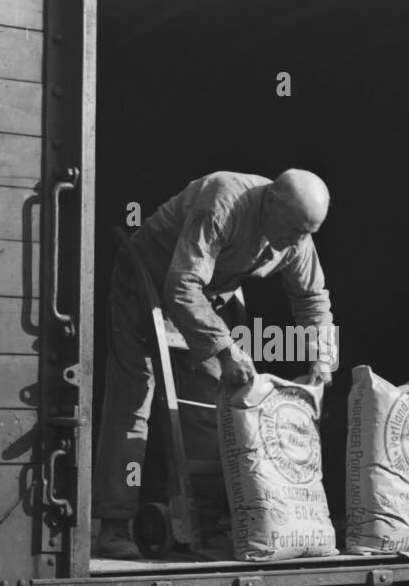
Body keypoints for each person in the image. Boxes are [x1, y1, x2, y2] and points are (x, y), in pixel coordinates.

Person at [92, 169, 337, 559]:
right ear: (270, 201)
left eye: (307, 233)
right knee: (134, 397)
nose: (298, 240)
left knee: (213, 405)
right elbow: (181, 284)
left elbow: (312, 299)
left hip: (204, 294)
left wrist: (322, 359)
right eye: (294, 230)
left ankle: (202, 521)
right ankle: (114, 524)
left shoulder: (296, 233)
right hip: (150, 280)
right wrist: (225, 349)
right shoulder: (225, 201)